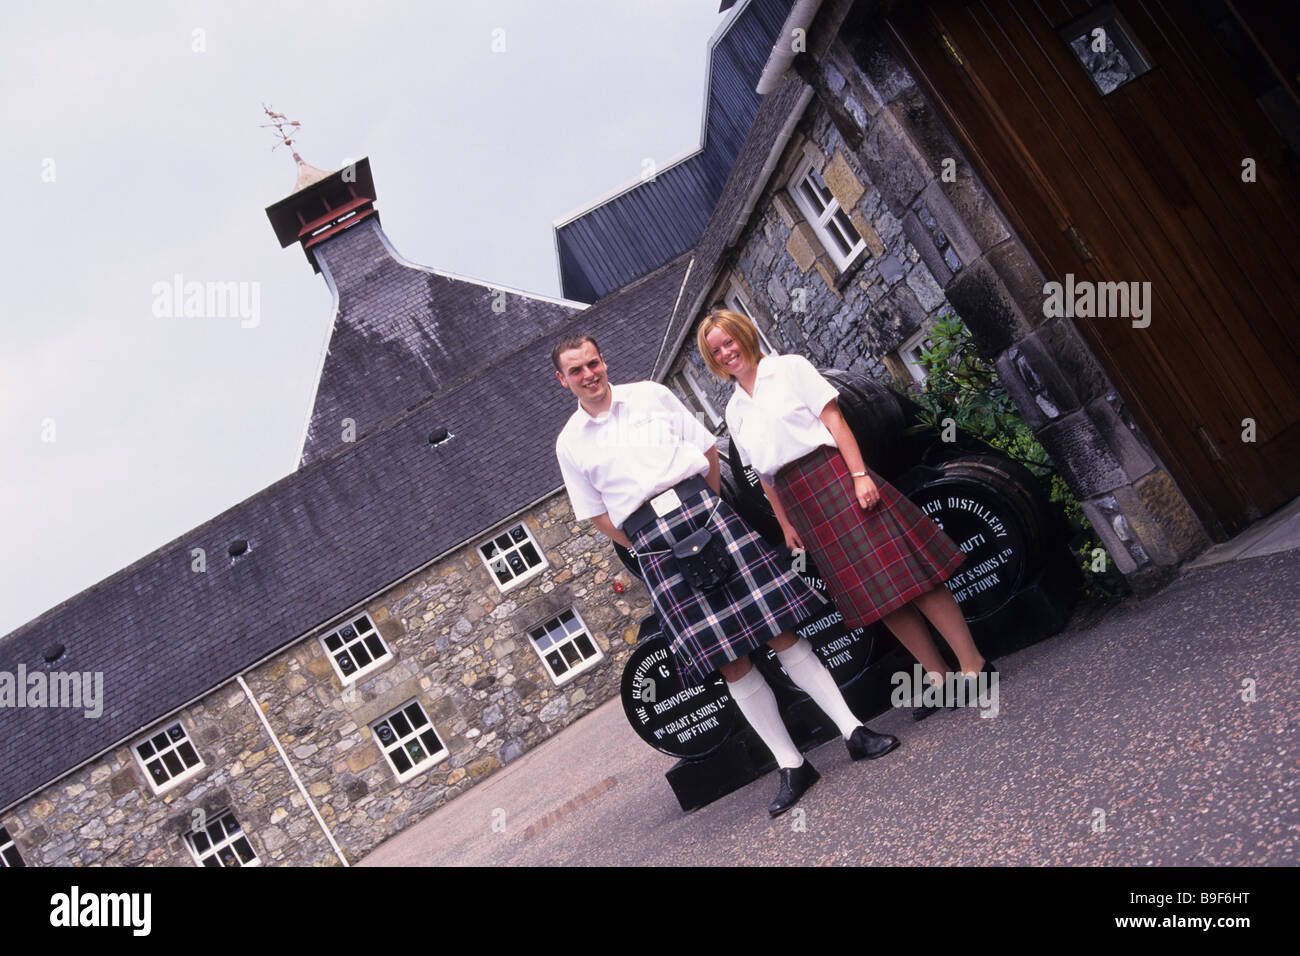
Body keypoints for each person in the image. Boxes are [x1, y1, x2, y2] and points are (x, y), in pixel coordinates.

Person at [552, 333, 900, 816]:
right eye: (577, 370)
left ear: (603, 360)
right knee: (727, 659)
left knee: (780, 630)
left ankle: (853, 731)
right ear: (563, 379)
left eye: (594, 362)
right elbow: (595, 514)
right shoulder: (569, 443)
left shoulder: (651, 394)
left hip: (705, 510)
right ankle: (792, 764)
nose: (590, 375)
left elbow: (707, 452)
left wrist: (709, 506)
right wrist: (647, 544)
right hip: (651, 539)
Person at [697, 310, 995, 717]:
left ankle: (973, 664)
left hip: (833, 475)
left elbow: (834, 420)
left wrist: (858, 475)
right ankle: (939, 677)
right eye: (716, 349)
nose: (726, 352)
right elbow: (765, 477)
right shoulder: (734, 410)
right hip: (800, 502)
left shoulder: (788, 369)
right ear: (712, 359)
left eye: (729, 341)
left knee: (911, 572)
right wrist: (785, 522)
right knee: (877, 595)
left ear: (744, 335)